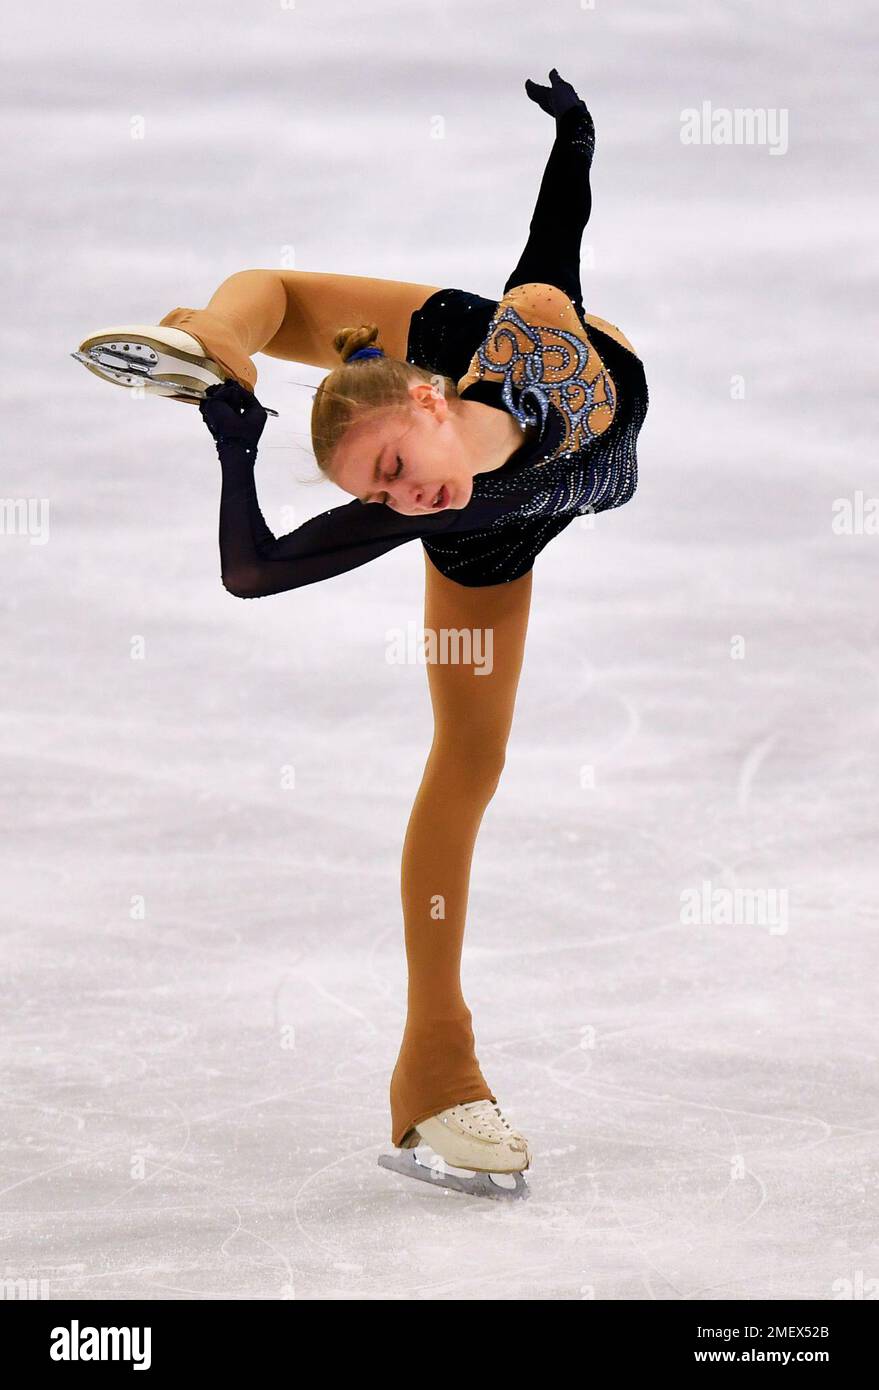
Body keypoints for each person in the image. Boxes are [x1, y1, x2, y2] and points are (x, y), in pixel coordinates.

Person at [72, 70, 649, 1198]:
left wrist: (576, 135)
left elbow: (557, 228)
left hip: (526, 401)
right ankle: (435, 1066)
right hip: (498, 551)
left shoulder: (523, 334)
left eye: (388, 470)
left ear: (428, 401)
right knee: (468, 763)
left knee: (327, 301)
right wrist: (236, 450)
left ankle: (222, 345)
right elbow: (255, 571)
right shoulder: (443, 513)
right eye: (373, 493)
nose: (397, 497)